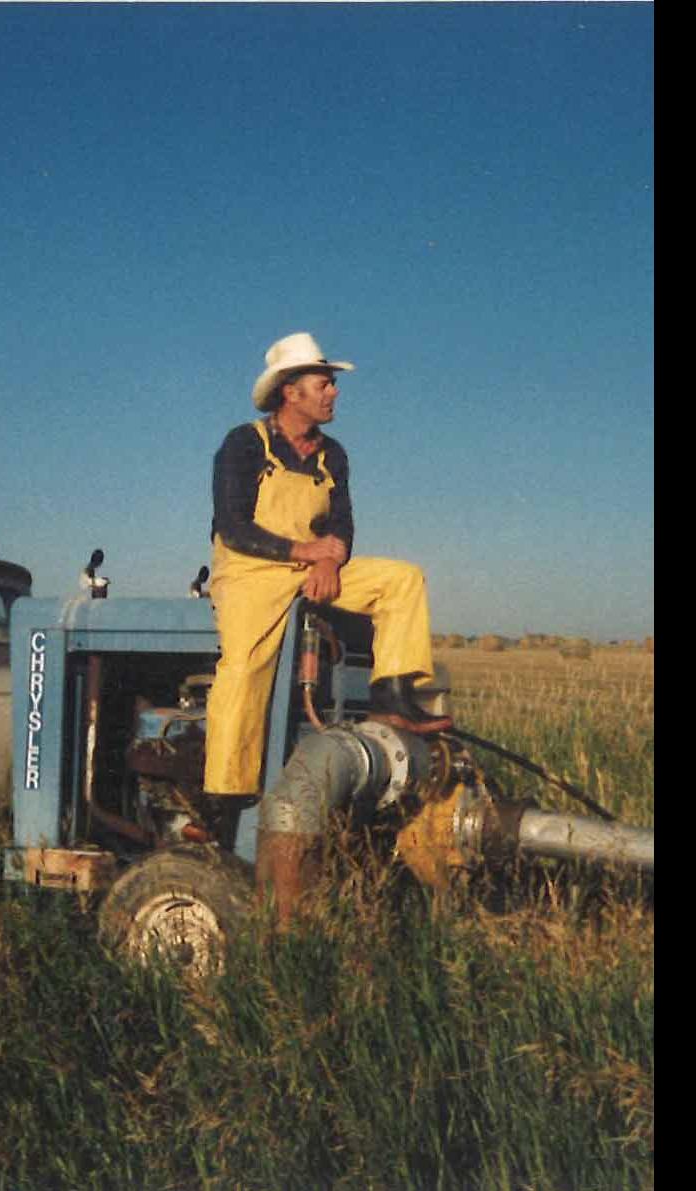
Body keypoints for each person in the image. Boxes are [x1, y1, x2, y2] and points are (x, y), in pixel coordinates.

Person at [204, 332, 453, 918]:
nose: (334, 392)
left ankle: (393, 697)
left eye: (332, 384)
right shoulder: (244, 443)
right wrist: (305, 552)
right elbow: (233, 526)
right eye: (324, 383)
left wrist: (331, 559)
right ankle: (224, 799)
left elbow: (343, 524)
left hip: (313, 566)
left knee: (402, 579)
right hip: (251, 570)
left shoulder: (332, 454)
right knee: (243, 669)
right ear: (290, 392)